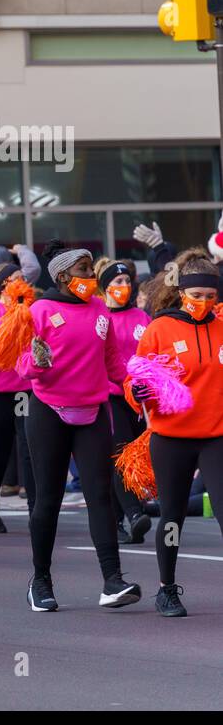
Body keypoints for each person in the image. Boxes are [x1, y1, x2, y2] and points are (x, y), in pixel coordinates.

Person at [16, 244, 140, 613]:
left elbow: (113, 362)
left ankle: (112, 581)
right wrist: (36, 363)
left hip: (93, 409)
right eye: (85, 270)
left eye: (90, 269)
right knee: (48, 500)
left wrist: (138, 386)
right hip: (49, 411)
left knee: (100, 495)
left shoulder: (101, 310)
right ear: (63, 277)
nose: (91, 277)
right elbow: (22, 365)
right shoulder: (40, 310)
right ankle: (40, 581)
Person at [126, 254, 223, 616]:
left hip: (217, 435)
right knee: (172, 517)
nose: (203, 302)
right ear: (181, 292)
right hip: (172, 437)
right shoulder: (160, 329)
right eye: (196, 294)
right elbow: (135, 378)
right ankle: (167, 588)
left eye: (210, 296)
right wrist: (136, 392)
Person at [95, 257, 153, 544]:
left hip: (140, 398)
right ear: (105, 287)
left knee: (138, 455)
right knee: (121, 455)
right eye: (118, 282)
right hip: (111, 397)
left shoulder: (142, 318)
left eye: (127, 281)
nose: (125, 286)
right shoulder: (101, 319)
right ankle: (134, 514)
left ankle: (119, 519)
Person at [0, 263, 36, 532]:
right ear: (3, 285)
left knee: (28, 448)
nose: (23, 283)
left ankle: (36, 509)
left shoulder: (30, 311)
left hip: (23, 390)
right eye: (17, 280)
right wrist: (14, 314)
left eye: (24, 279)